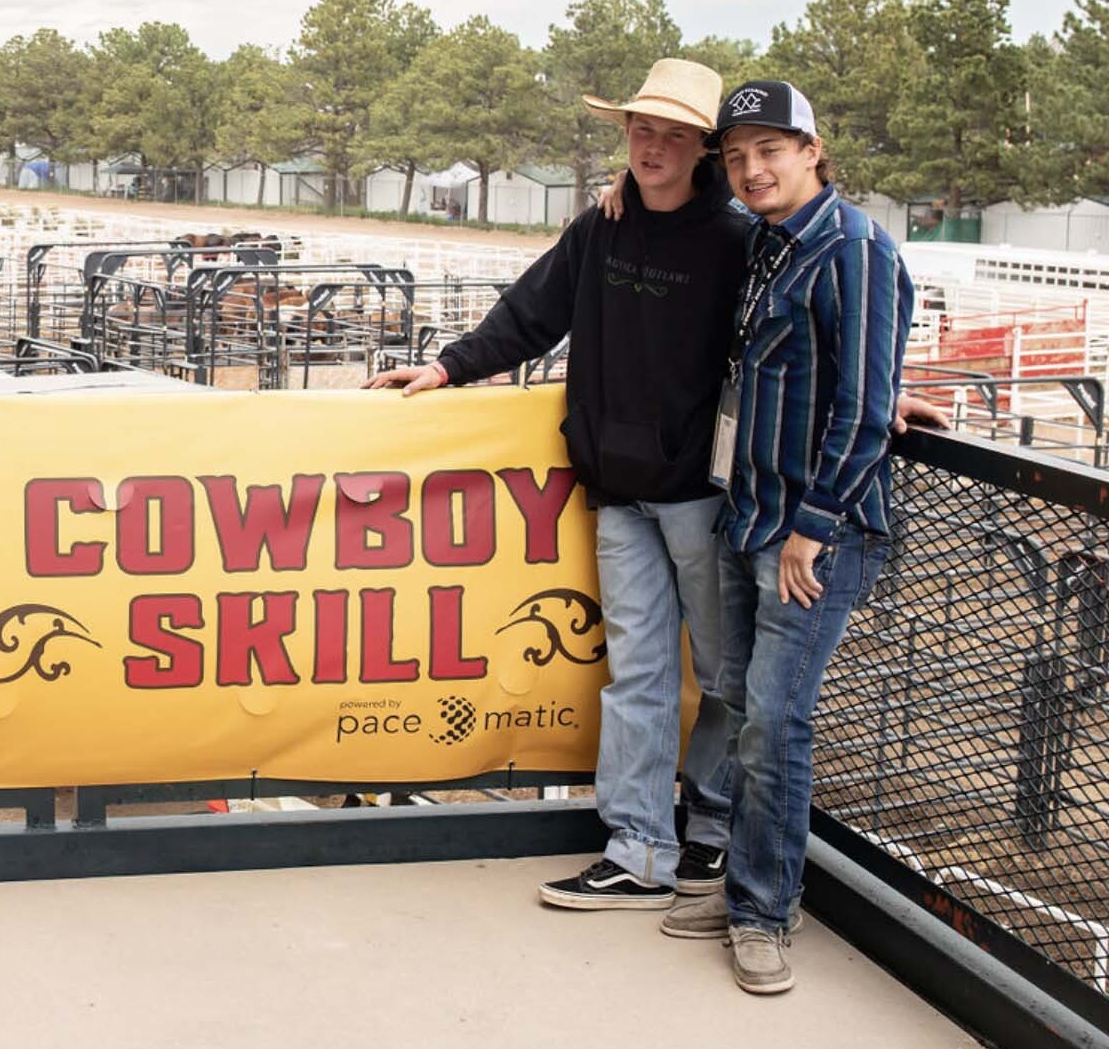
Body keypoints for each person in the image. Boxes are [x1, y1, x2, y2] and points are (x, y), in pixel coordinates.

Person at [369, 58, 747, 910]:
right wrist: (447, 367)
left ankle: (716, 830)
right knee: (641, 672)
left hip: (701, 495)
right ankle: (641, 849)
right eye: (641, 130)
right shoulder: (600, 228)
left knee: (728, 674)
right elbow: (532, 311)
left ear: (702, 149)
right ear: (626, 136)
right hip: (617, 490)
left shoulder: (736, 241)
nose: (652, 147)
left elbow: (797, 327)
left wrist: (881, 392)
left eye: (672, 135)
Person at [657, 81, 913, 996]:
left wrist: (816, 523)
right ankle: (731, 882)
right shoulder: (769, 242)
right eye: (737, 157)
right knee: (730, 698)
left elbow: (865, 406)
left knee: (775, 718)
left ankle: (764, 909)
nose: (753, 169)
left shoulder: (854, 250)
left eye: (771, 149)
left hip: (810, 532)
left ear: (813, 150)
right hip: (750, 508)